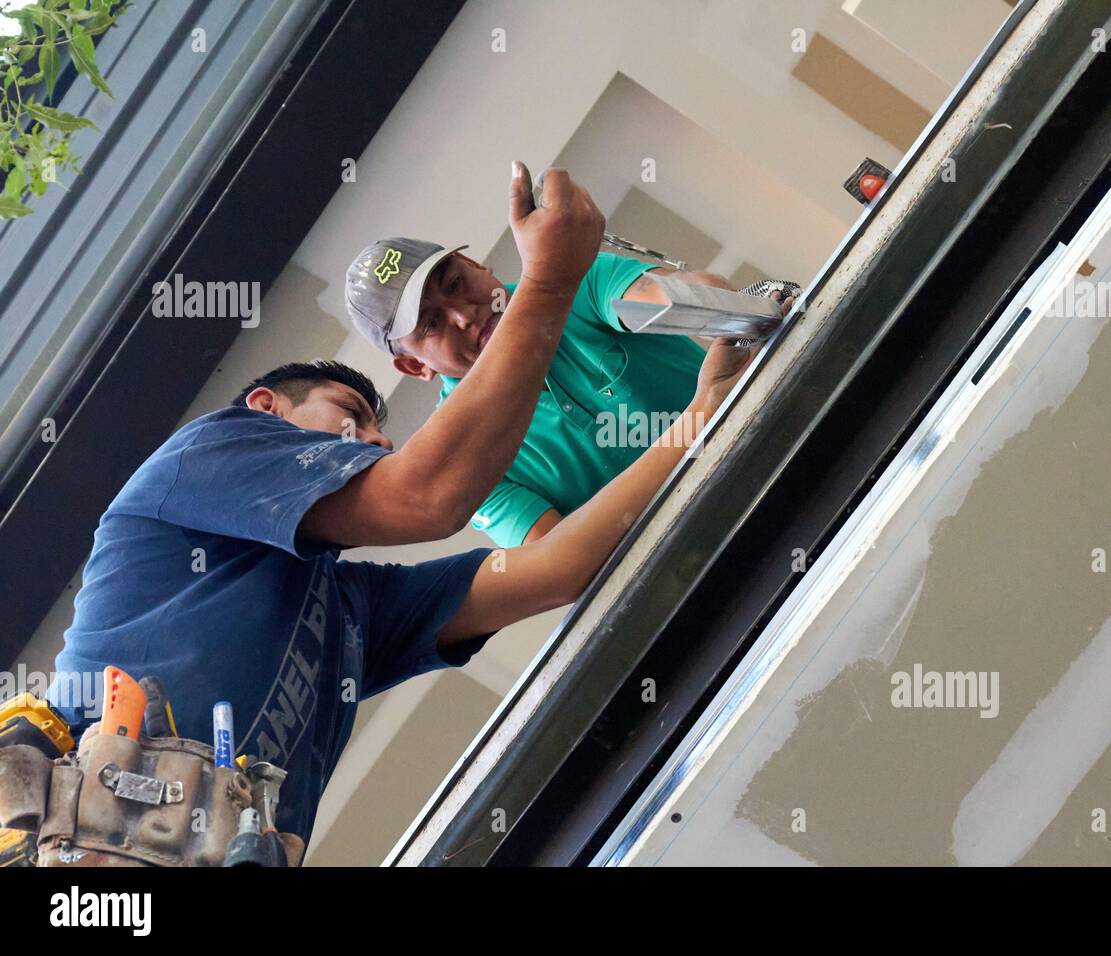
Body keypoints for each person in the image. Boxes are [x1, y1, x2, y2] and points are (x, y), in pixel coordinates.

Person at [48, 163, 758, 847]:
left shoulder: (350, 609)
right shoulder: (202, 458)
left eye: (456, 283)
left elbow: (560, 568)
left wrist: (707, 402)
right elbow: (426, 497)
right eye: (352, 415)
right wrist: (548, 281)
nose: (379, 442)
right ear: (266, 407)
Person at [346, 164, 796, 547]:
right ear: (414, 365)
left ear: (479, 267)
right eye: (430, 324)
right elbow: (558, 555)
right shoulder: (463, 449)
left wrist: (723, 308)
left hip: (782, 456)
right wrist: (699, 420)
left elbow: (692, 298)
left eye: (455, 284)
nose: (463, 316)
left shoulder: (579, 284)